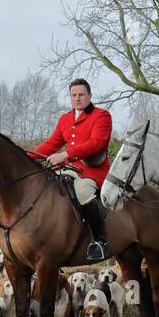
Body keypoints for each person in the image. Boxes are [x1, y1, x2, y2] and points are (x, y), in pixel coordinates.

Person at [29, 79, 112, 263]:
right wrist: (27, 156)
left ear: (89, 96)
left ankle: (99, 241)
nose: (77, 98)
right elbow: (52, 143)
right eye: (74, 95)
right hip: (66, 169)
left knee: (83, 192)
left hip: (91, 171)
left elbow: (97, 143)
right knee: (45, 188)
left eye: (81, 94)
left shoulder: (101, 116)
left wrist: (65, 154)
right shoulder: (65, 119)